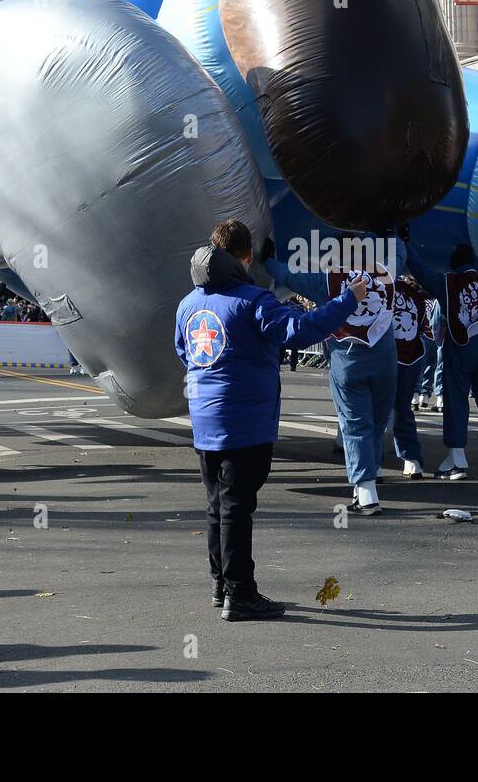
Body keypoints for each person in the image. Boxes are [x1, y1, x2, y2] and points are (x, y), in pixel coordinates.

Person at [177, 219, 363, 622]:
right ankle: (241, 594)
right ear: (244, 258)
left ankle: (221, 583)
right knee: (237, 509)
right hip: (245, 420)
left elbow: (184, 351)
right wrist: (348, 300)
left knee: (218, 506)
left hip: (205, 420)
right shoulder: (252, 300)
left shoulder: (188, 304)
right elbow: (300, 329)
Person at [263, 230, 405, 514]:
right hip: (386, 361)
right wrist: (397, 234)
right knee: (377, 422)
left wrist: (267, 259)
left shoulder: (327, 280)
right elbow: (400, 254)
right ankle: (369, 479)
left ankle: (366, 492)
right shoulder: (386, 272)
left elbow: (289, 276)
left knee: (355, 425)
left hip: (348, 363)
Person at [407, 236, 478, 480]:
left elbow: (419, 269)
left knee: (456, 402)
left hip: (459, 353)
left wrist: (405, 241)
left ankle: (457, 459)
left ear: (453, 264)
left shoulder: (448, 282)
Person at [389, 277, 429, 477]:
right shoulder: (414, 294)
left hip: (382, 356)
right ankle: (411, 458)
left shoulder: (371, 285)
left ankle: (371, 462)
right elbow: (423, 327)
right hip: (410, 356)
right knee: (401, 408)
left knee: (371, 410)